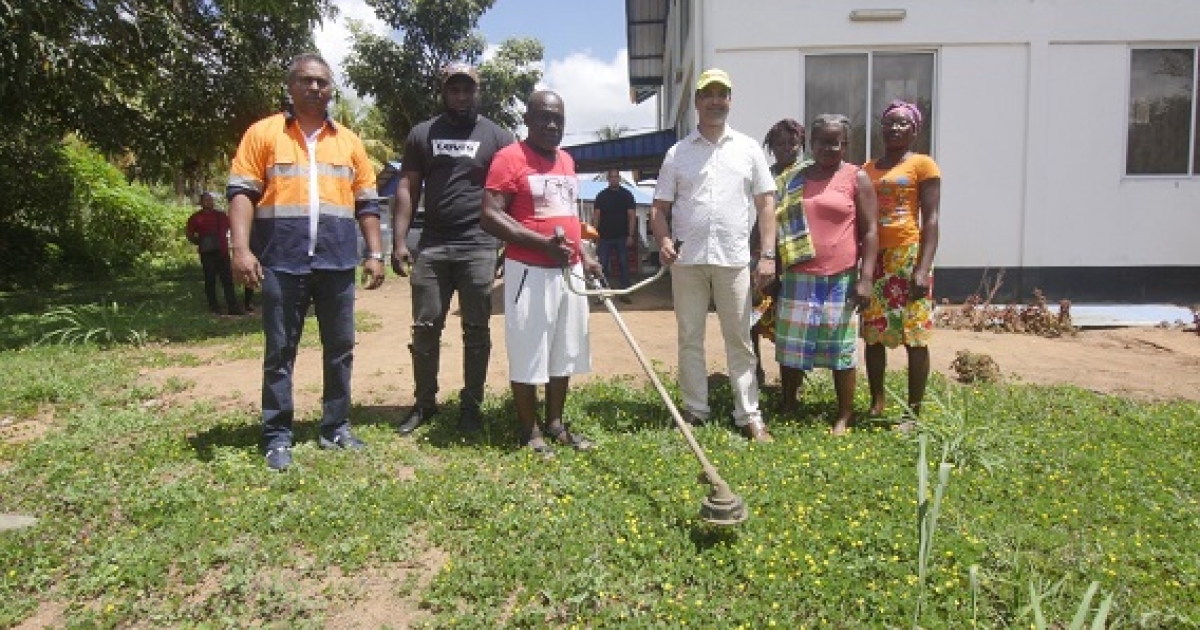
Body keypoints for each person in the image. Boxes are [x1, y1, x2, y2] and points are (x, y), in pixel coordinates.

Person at [226, 53, 386, 471]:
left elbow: (367, 202)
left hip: (336, 261)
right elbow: (241, 193)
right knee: (280, 350)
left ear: (331, 89)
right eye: (307, 81)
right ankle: (276, 435)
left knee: (340, 348)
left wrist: (374, 253)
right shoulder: (263, 134)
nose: (316, 88)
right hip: (281, 259)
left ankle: (336, 427)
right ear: (290, 87)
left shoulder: (349, 142)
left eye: (323, 82)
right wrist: (240, 250)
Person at [649, 68, 778, 443]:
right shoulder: (678, 153)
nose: (715, 101)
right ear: (697, 102)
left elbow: (766, 205)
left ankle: (749, 415)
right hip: (687, 261)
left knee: (738, 338)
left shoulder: (748, 148)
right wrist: (663, 239)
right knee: (690, 336)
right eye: (708, 94)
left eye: (722, 94)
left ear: (730, 100)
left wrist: (767, 255)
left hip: (734, 259)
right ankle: (695, 409)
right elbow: (658, 208)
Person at [391, 62, 515, 437]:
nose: (461, 96)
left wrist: (508, 243)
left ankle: (471, 408)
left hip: (479, 245)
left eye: (468, 89)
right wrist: (398, 241)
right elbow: (407, 188)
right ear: (444, 92)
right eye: (454, 89)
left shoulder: (499, 136)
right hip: (432, 245)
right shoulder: (422, 134)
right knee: (426, 327)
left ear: (478, 92)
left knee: (476, 330)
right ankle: (424, 403)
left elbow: (512, 193)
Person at [481, 90, 602, 458]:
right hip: (529, 272)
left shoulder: (566, 160)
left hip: (569, 271)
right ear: (527, 120)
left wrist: (584, 251)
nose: (552, 125)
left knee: (564, 349)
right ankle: (529, 430)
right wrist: (540, 244)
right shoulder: (509, 158)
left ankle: (555, 423)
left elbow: (566, 216)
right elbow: (489, 214)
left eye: (559, 119)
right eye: (544, 117)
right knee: (528, 350)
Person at [773, 114, 879, 435]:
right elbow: (773, 223)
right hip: (797, 275)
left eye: (837, 141)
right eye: (822, 141)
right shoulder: (794, 179)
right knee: (792, 345)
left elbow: (871, 230)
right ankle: (789, 403)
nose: (829, 147)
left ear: (845, 144)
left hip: (840, 277)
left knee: (840, 348)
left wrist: (866, 278)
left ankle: (844, 415)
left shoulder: (856, 178)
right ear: (811, 144)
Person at [861, 101, 942, 426]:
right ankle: (877, 402)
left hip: (908, 257)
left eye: (902, 124)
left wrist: (923, 268)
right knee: (873, 335)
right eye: (889, 123)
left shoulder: (923, 165)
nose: (895, 129)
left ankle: (913, 411)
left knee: (915, 336)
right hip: (875, 259)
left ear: (915, 130)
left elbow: (932, 219)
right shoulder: (867, 169)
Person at [753, 118, 808, 384]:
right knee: (752, 316)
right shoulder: (764, 175)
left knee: (793, 323)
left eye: (792, 142)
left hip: (797, 258)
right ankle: (755, 372)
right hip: (764, 254)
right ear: (771, 146)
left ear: (801, 145)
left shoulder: (809, 174)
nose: (787, 148)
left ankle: (792, 384)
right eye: (779, 143)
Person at [186, 192, 244, 316]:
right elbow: (189, 235)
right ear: (201, 202)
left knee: (227, 280)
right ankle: (214, 306)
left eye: (210, 200)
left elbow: (231, 229)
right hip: (206, 254)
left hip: (222, 253)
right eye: (206, 200)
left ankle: (232, 306)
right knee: (210, 280)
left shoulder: (221, 216)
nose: (209, 202)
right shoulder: (195, 218)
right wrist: (200, 242)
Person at [591, 169, 637, 303]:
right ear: (608, 179)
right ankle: (602, 294)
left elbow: (632, 217)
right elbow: (596, 217)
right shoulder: (601, 196)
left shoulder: (627, 195)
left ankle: (625, 293)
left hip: (622, 237)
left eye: (616, 177)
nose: (614, 179)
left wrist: (630, 235)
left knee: (624, 264)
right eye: (611, 177)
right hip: (604, 237)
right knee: (602, 265)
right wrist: (594, 235)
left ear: (619, 179)